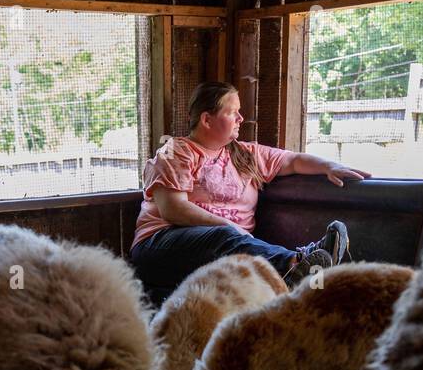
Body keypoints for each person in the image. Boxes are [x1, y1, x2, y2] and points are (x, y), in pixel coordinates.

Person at [128, 80, 371, 306]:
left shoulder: (244, 154)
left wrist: (329, 166)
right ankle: (296, 264)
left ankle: (318, 279)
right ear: (207, 119)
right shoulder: (177, 151)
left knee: (224, 240)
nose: (241, 118)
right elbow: (173, 209)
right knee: (221, 236)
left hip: (230, 245)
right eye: (232, 112)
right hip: (161, 246)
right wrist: (229, 225)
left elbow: (294, 161)